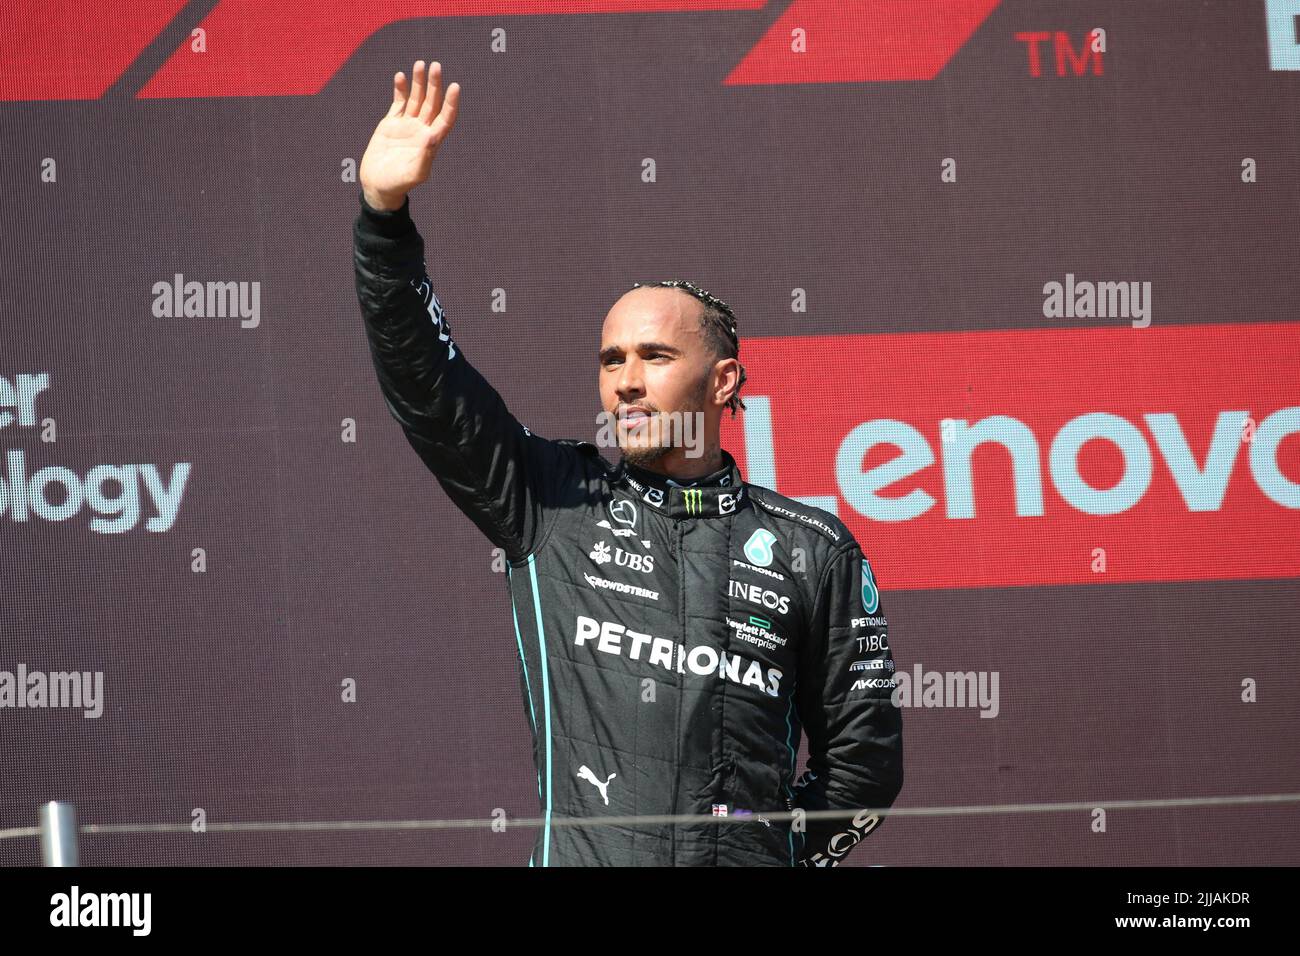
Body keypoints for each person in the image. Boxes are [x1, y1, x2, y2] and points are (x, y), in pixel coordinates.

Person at [353, 60, 903, 866]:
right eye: (612, 359)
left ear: (722, 380)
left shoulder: (811, 547)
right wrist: (383, 220)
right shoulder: (546, 497)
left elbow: (864, 769)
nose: (628, 380)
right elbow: (425, 384)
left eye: (653, 354)